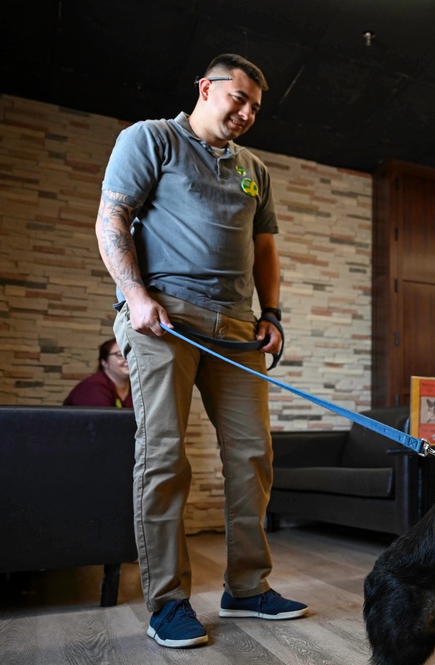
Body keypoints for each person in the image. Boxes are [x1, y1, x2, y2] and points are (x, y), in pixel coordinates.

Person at [94, 53, 306, 649]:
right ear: (205, 88)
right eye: (237, 97)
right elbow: (112, 218)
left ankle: (247, 587)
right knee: (163, 457)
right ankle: (167, 601)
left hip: (238, 329)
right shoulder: (151, 140)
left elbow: (264, 248)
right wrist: (135, 295)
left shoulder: (254, 170)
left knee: (252, 457)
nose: (245, 113)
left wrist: (273, 315)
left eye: (255, 108)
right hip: (164, 320)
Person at [63, 338, 133, 408]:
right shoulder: (92, 388)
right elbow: (105, 418)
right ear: (104, 362)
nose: (128, 359)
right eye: (120, 355)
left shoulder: (137, 386)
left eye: (132, 354)